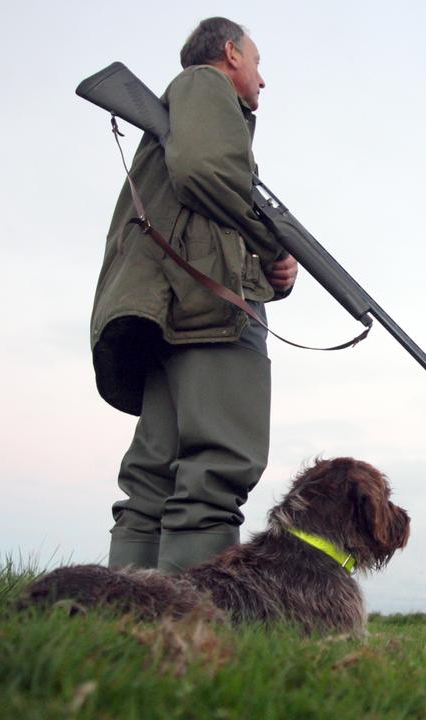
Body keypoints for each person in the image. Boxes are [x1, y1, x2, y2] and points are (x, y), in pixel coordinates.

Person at [88, 17, 299, 573]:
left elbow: (198, 203)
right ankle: (196, 628)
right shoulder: (204, 85)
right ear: (230, 53)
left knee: (154, 476)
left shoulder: (183, 112)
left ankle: (127, 616)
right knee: (216, 465)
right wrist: (271, 241)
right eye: (256, 61)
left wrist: (268, 269)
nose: (261, 78)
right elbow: (205, 169)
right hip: (209, 314)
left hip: (176, 309)